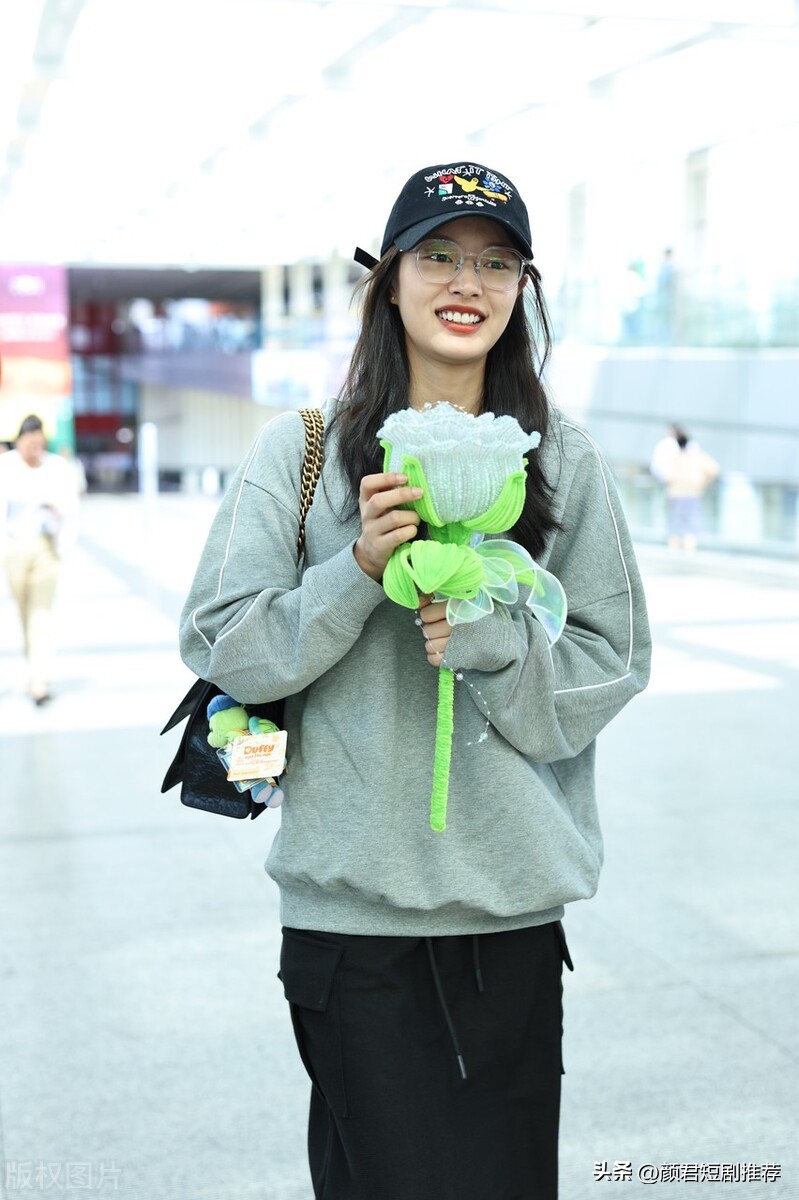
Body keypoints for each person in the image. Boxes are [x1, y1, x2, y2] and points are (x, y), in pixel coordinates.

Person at [179, 160, 652, 1200]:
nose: (465, 282)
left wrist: (489, 640)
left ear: (522, 290)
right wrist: (350, 575)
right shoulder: (304, 451)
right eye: (437, 254)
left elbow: (612, 664)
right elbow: (224, 645)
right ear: (388, 278)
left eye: (495, 263)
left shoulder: (560, 461)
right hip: (352, 935)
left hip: (509, 926)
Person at [0, 414, 81, 704]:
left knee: (41, 614)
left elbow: (71, 505)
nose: (33, 450)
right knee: (24, 612)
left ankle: (40, 679)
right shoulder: (6, 466)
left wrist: (56, 509)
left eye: (38, 445)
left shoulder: (56, 467)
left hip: (46, 547)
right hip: (13, 547)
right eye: (28, 444)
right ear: (19, 441)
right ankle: (33, 669)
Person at [662, 428, 720, 551]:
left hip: (676, 494)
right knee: (691, 528)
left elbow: (668, 476)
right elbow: (714, 469)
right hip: (692, 494)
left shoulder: (676, 459)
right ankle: (689, 552)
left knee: (675, 527)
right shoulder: (699, 458)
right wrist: (703, 482)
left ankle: (674, 552)